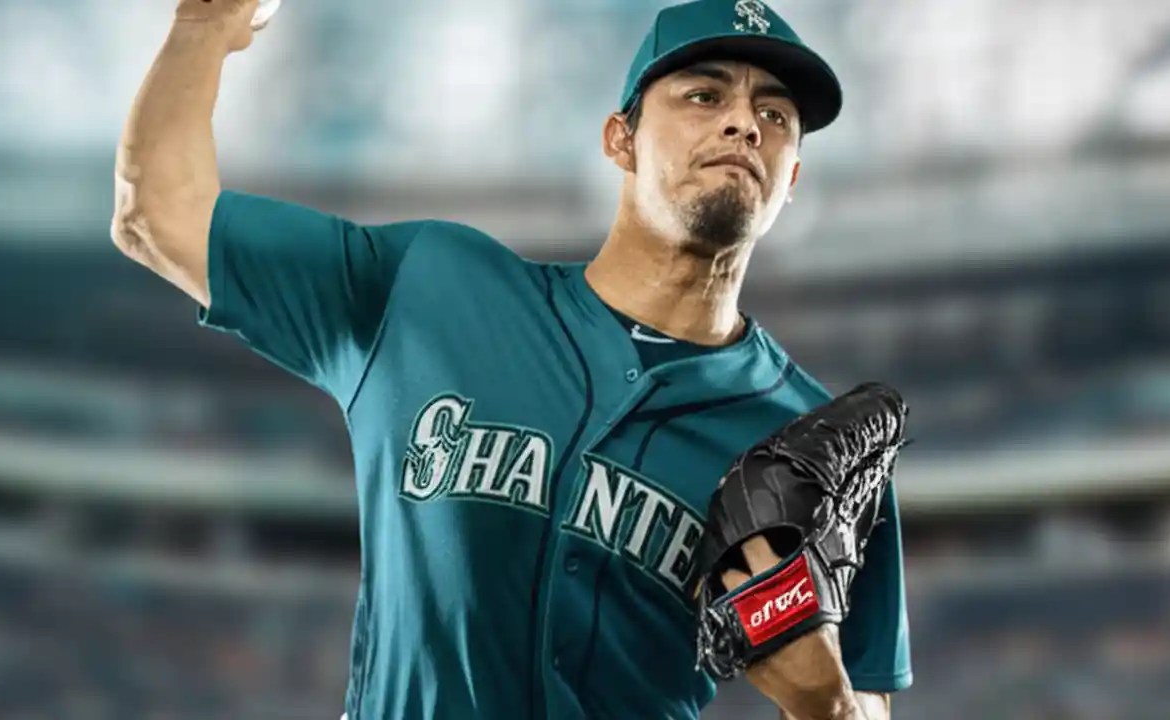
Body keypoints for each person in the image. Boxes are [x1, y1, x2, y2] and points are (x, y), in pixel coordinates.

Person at [111, 0, 912, 717]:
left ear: (793, 178)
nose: (744, 123)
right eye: (705, 95)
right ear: (620, 139)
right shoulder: (434, 288)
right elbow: (158, 215)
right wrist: (206, 24)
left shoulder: (821, 451)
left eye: (775, 116)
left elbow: (860, 705)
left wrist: (824, 704)